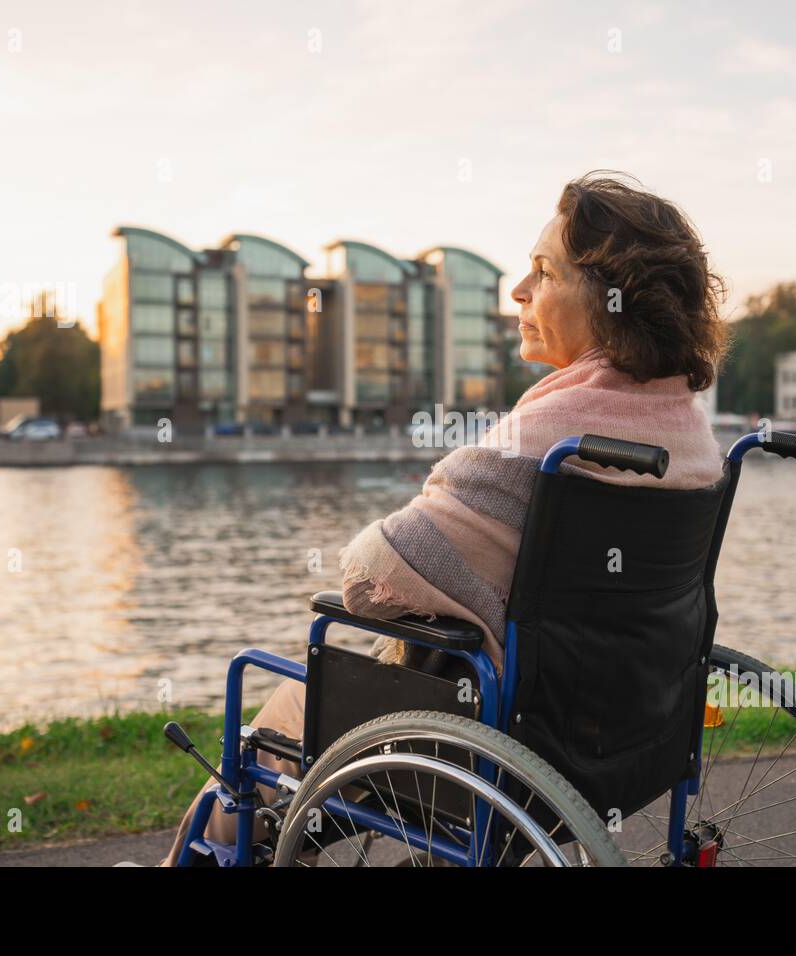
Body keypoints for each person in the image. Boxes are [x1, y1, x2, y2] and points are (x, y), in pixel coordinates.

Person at [160, 170, 729, 866]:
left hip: (507, 740)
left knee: (273, 722)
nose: (518, 291)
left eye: (544, 272)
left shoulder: (548, 434)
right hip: (629, 729)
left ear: (613, 302)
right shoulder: (690, 435)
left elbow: (374, 574)